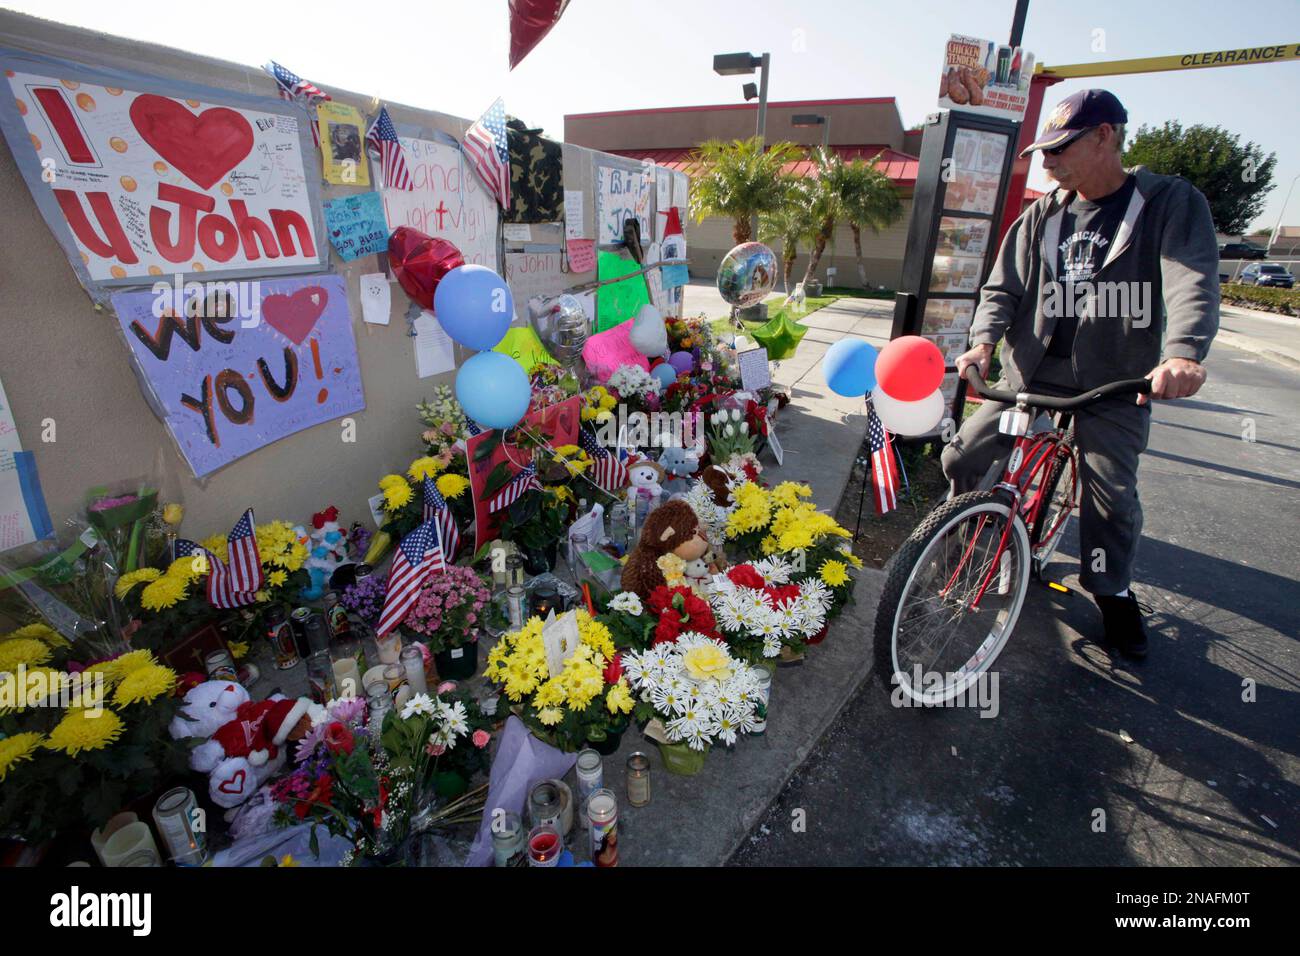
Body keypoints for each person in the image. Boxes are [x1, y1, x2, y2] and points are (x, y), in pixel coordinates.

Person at [942, 89, 1220, 660]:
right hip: (1032, 371)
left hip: (1115, 381)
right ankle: (963, 532)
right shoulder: (1044, 212)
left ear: (1105, 136)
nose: (1047, 163)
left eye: (1060, 148)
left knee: (1110, 496)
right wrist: (981, 344)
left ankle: (1112, 590)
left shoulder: (1168, 202)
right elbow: (1003, 287)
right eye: (1044, 151)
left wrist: (1183, 352)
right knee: (961, 455)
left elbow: (1190, 280)